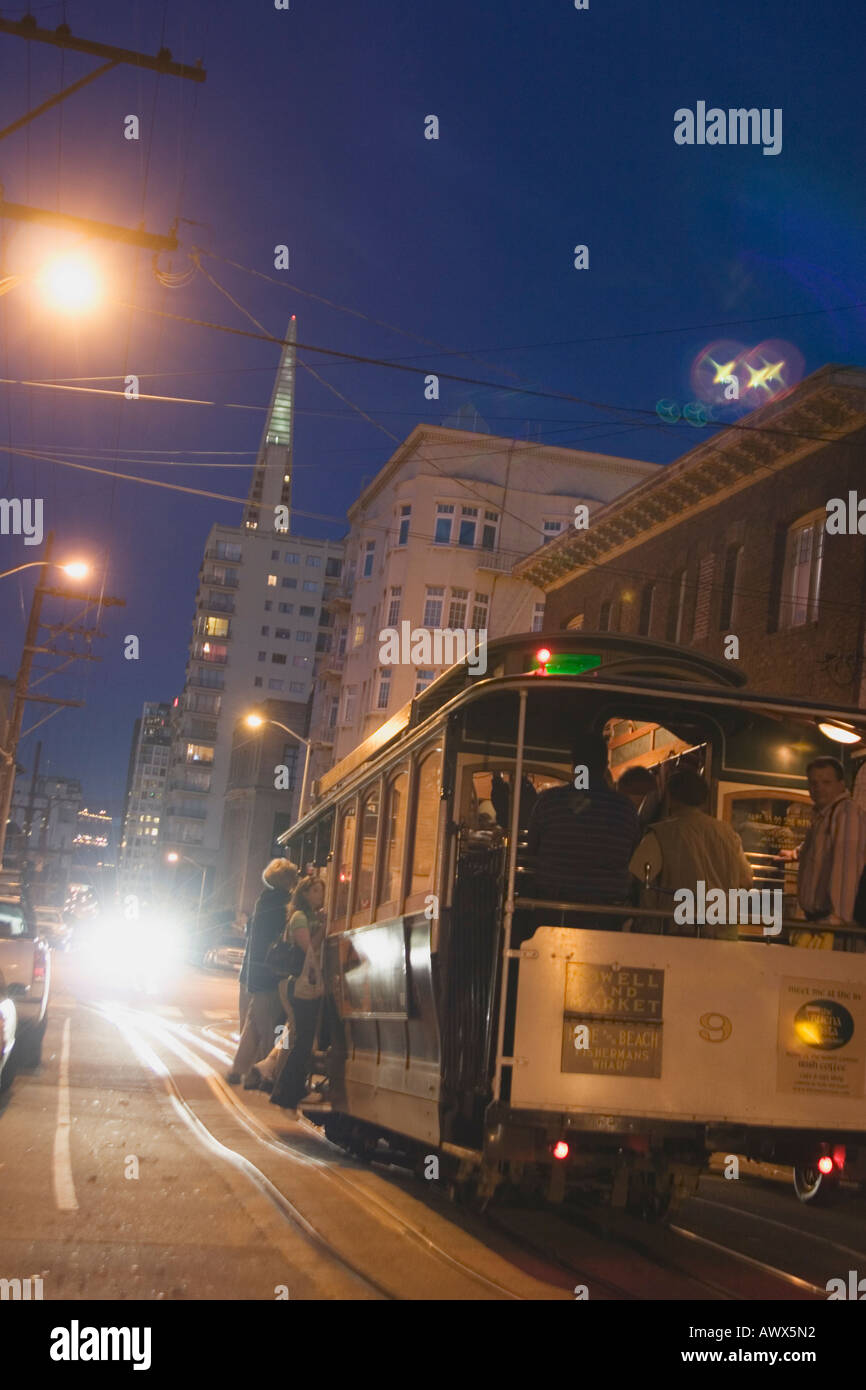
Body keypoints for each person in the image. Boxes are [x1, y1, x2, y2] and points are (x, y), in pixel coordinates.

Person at [526, 732, 640, 924]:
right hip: (607, 912)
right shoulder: (625, 808)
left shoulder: (550, 801)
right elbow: (632, 857)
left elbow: (532, 849)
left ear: (574, 763)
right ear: (606, 764)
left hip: (553, 908)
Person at [629, 768, 752, 940]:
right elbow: (746, 880)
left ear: (670, 797)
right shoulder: (728, 834)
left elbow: (638, 876)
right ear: (703, 799)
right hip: (723, 932)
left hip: (677, 930)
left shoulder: (661, 834)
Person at [227, 858, 299, 1085]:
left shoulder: (263, 901)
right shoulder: (285, 904)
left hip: (254, 977)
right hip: (273, 978)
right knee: (277, 1028)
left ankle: (238, 1070)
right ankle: (267, 1075)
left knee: (254, 1025)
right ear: (287, 879)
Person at [792, 757, 866, 951]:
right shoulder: (823, 814)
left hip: (834, 927)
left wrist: (836, 919)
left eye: (826, 782)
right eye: (813, 783)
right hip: (819, 921)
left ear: (841, 784)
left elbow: (848, 866)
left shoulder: (847, 813)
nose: (818, 788)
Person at [270, 877, 327, 1114]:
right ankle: (285, 1093)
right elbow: (308, 949)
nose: (319, 895)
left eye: (321, 891)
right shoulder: (300, 918)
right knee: (302, 1039)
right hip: (297, 983)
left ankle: (288, 1089)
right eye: (315, 891)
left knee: (302, 1038)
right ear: (304, 894)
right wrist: (322, 929)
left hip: (303, 983)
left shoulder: (310, 917)